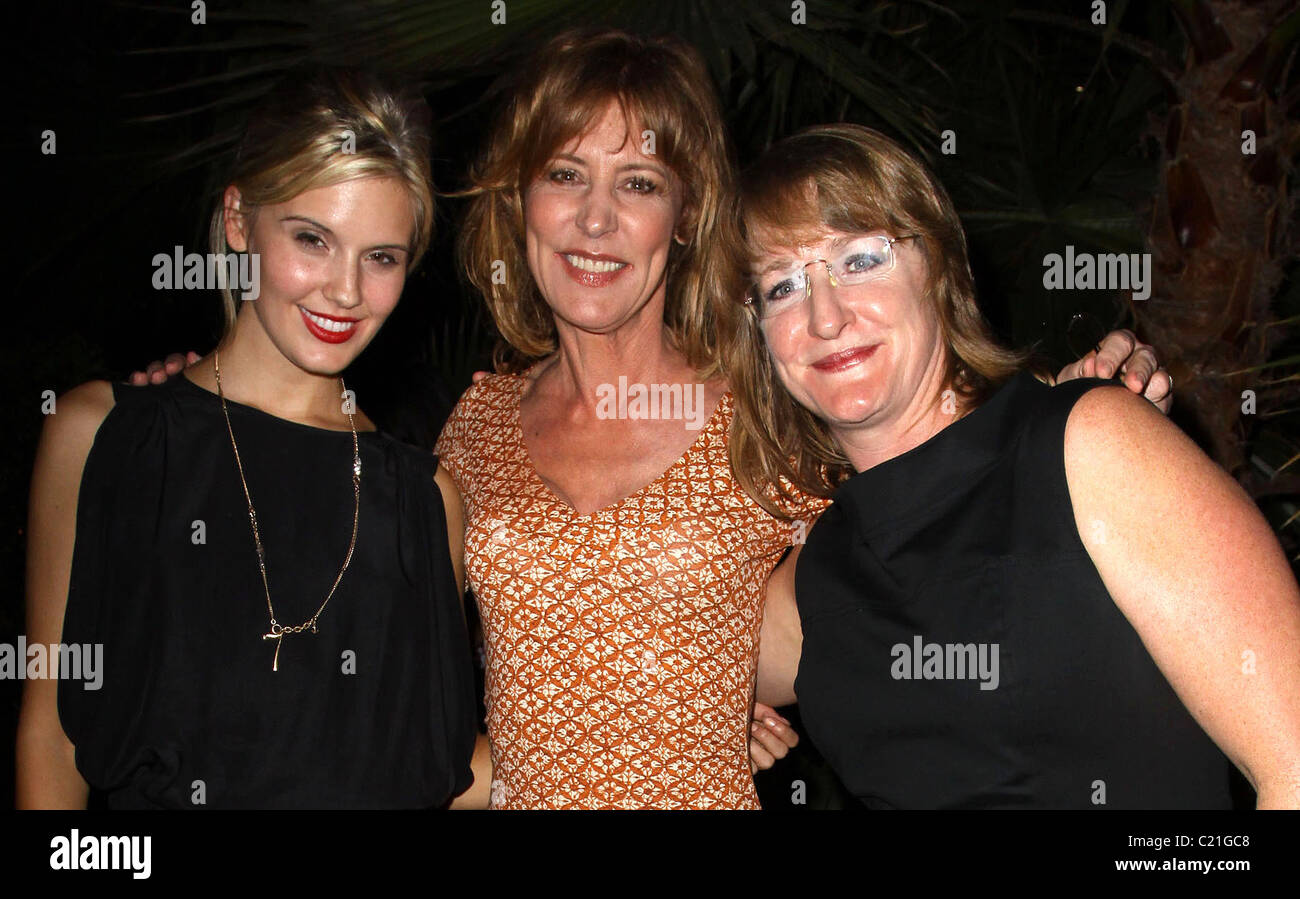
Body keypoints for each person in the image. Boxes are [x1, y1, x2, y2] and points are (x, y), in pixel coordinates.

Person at [127, 29, 1167, 809]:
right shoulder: (473, 426)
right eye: (564, 176)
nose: (593, 220)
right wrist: (228, 398)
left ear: (686, 216)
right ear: (519, 202)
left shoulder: (771, 397)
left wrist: (1066, 411)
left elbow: (936, 518)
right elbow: (370, 653)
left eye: (638, 182)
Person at [727, 123, 1300, 808]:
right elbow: (647, 666)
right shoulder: (822, 573)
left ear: (937, 269)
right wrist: (721, 721)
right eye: (783, 285)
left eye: (860, 260)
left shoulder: (1087, 445)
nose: (825, 317)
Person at [16, 67, 477, 809]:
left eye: (381, 257)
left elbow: (444, 769)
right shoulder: (104, 436)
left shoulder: (423, 499)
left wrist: (678, 729)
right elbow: (53, 735)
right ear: (238, 220)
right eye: (312, 239)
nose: (347, 291)